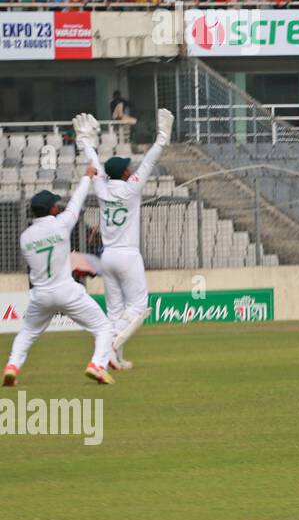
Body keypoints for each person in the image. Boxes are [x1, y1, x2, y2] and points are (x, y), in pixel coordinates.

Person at [73, 109, 173, 368]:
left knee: (115, 311)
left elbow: (95, 165)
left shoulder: (102, 188)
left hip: (107, 256)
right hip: (128, 255)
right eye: (129, 168)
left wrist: (85, 142)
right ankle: (109, 346)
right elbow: (149, 162)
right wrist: (162, 138)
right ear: (126, 174)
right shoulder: (132, 188)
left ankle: (113, 358)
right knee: (139, 308)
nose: (131, 170)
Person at [4, 170, 116, 386]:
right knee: (103, 328)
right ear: (52, 209)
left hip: (41, 295)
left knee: (27, 333)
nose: (58, 206)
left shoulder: (25, 237)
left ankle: (12, 366)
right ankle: (97, 365)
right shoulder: (61, 224)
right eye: (56, 205)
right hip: (66, 290)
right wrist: (87, 178)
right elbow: (76, 201)